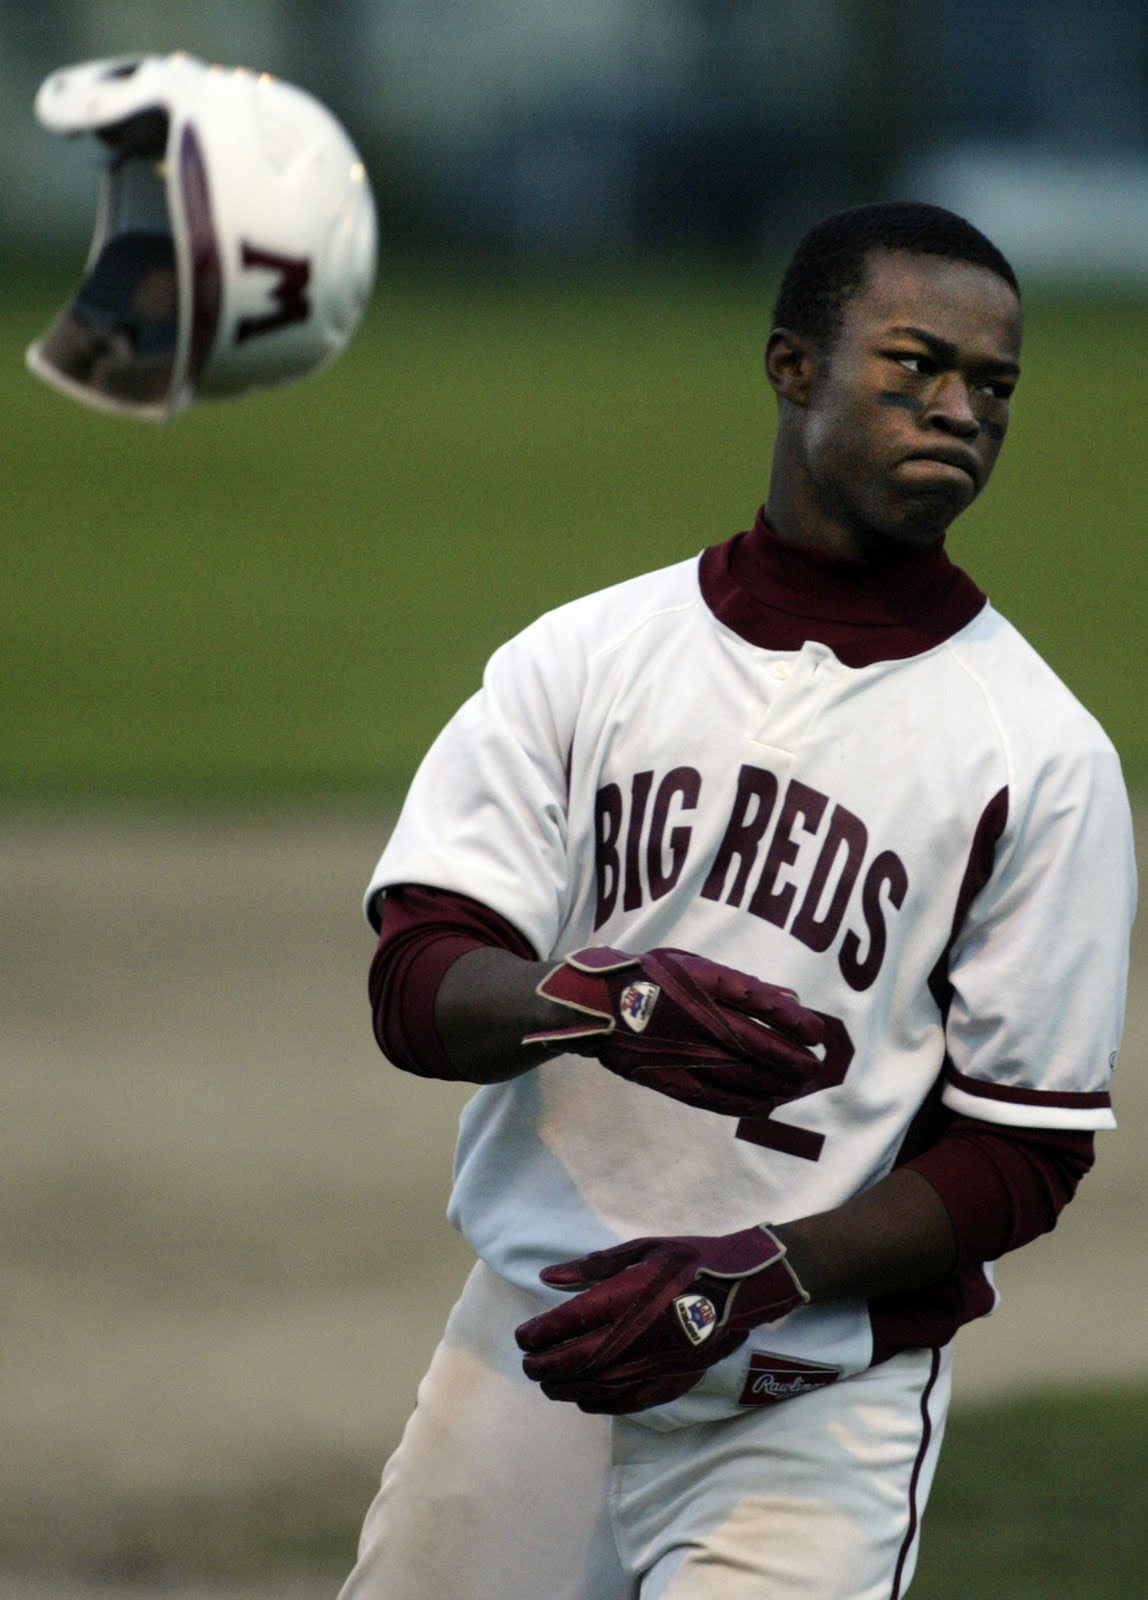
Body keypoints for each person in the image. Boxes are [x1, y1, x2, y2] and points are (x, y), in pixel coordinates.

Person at [338, 202, 1136, 1600]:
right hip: (536, 1352)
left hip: (808, 1413)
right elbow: (418, 982)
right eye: (914, 365)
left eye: (992, 386)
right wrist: (600, 1002)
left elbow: (1023, 1151)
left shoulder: (1040, 754)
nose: (959, 410)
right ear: (792, 367)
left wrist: (758, 1274)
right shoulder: (583, 661)